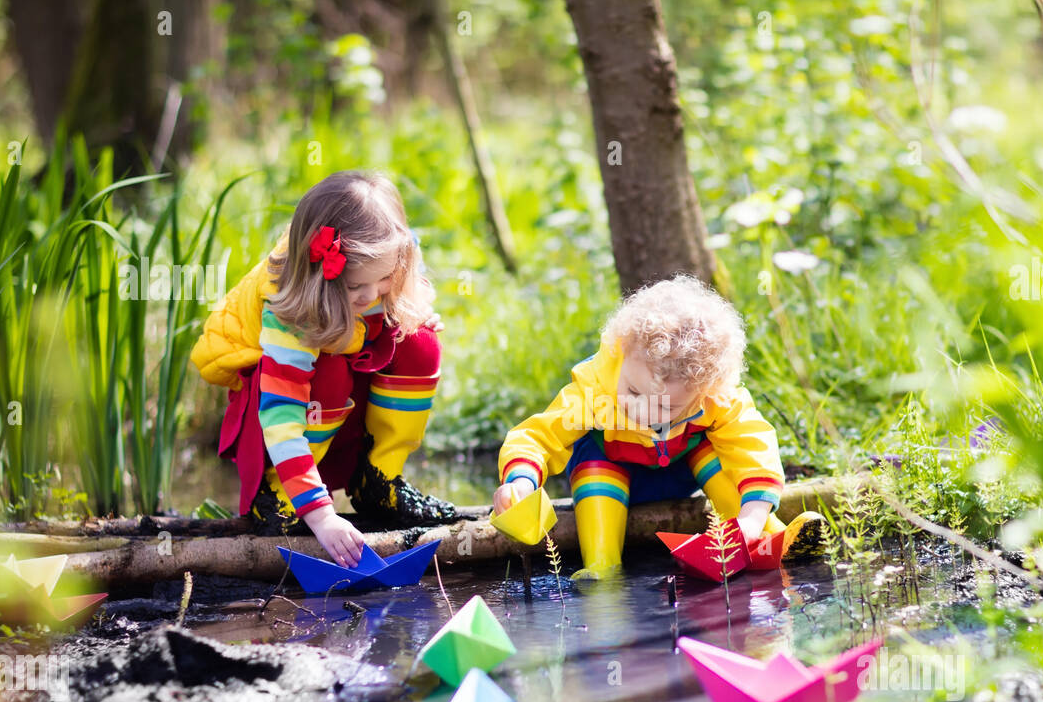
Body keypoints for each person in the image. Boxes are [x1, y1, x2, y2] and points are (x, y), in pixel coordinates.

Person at [190, 170, 454, 568]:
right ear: (323, 278)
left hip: (341, 402)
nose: (370, 295)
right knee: (328, 373)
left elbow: (383, 303)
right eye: (355, 288)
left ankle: (378, 481)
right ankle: (279, 498)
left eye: (383, 278)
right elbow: (281, 420)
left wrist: (408, 317)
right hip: (273, 419)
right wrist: (322, 516)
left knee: (418, 342)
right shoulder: (291, 312)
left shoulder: (377, 276)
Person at [492, 275, 824, 579]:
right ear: (621, 350)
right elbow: (538, 437)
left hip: (681, 473)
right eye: (633, 392)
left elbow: (751, 444)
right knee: (594, 463)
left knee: (717, 452)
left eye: (666, 406)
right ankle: (602, 566)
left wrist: (752, 514)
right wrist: (520, 482)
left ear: (704, 391)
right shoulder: (595, 392)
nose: (642, 412)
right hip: (614, 477)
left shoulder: (714, 399)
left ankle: (767, 535)